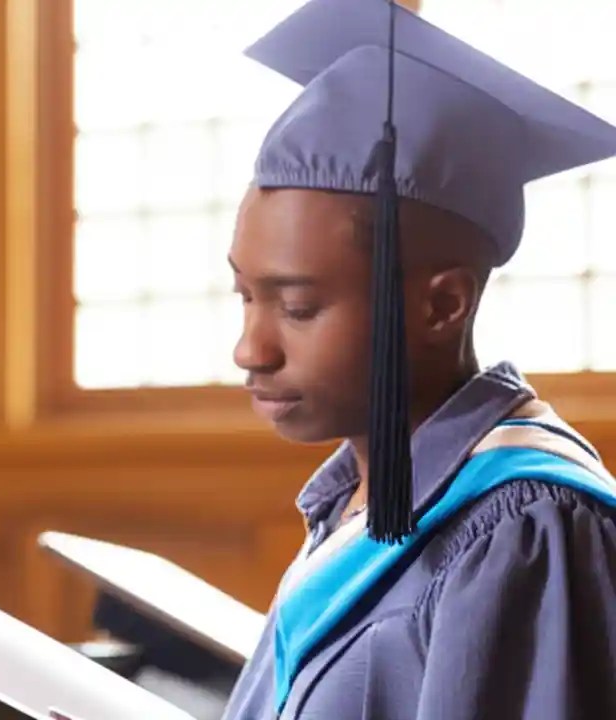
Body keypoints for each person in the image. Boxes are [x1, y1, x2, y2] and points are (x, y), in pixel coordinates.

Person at [219, 1, 616, 718]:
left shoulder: (523, 529)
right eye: (245, 296)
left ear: (442, 307)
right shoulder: (350, 505)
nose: (251, 348)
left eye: (298, 306)